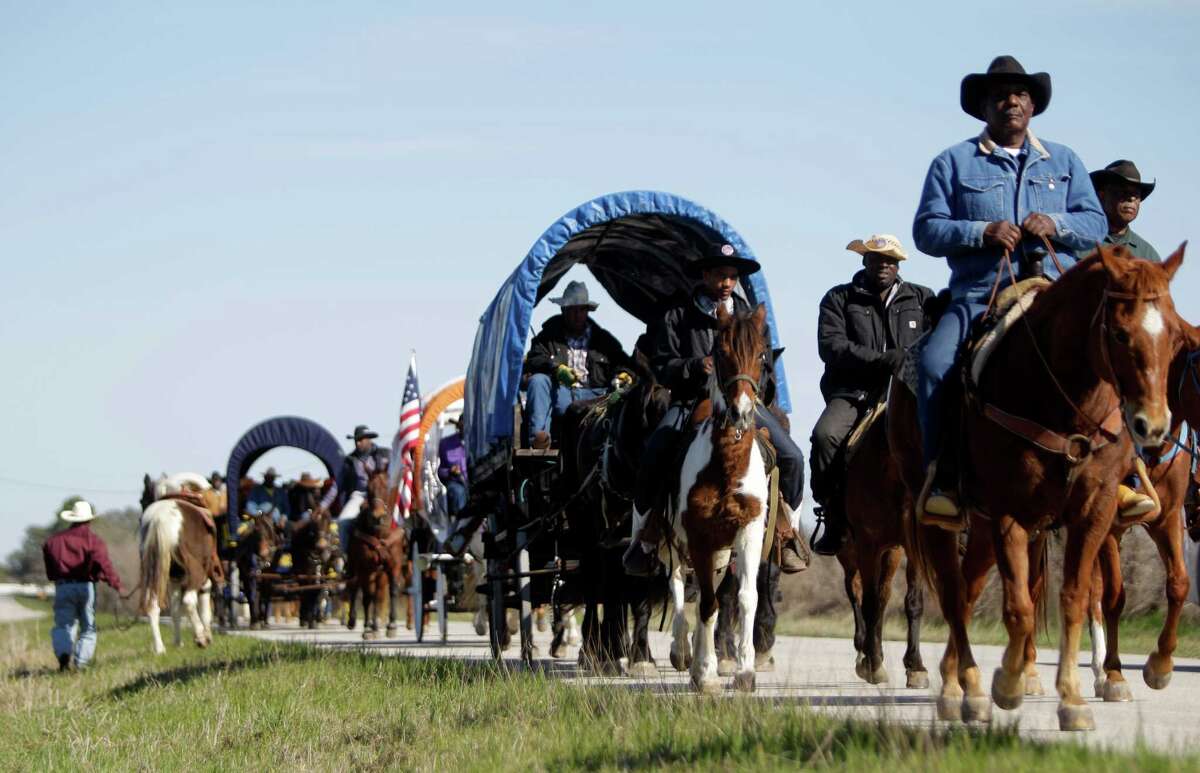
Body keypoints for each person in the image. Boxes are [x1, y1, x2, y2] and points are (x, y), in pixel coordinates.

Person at [913, 55, 1116, 521]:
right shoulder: (952, 161)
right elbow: (927, 229)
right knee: (933, 365)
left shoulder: (1064, 161)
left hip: (1056, 294)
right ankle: (943, 476)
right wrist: (980, 232)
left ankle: (1123, 476)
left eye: (1020, 94)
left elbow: (1095, 224)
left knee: (1117, 354)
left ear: (1032, 105)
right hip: (979, 295)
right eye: (1000, 95)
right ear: (985, 106)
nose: (1011, 102)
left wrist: (1056, 222)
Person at [623, 242, 808, 575]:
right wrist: (696, 366)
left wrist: (748, 388)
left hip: (740, 400)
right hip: (689, 400)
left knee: (793, 457)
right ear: (705, 274)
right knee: (655, 451)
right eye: (720, 275)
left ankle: (787, 535)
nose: (726, 283)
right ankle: (644, 537)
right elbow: (662, 365)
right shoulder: (676, 313)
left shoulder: (751, 318)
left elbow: (764, 367)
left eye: (732, 276)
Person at [809, 234, 933, 555]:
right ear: (864, 261)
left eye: (890, 261)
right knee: (824, 436)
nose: (883, 266)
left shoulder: (921, 298)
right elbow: (832, 347)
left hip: (909, 392)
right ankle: (833, 516)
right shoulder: (839, 298)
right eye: (877, 259)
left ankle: (957, 511)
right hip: (855, 393)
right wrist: (883, 360)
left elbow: (936, 342)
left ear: (898, 266)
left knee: (951, 430)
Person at [523, 280, 636, 449]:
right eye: (572, 310)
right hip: (562, 396)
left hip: (595, 398)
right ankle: (539, 439)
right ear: (563, 310)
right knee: (538, 381)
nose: (577, 315)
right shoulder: (548, 336)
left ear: (588, 311)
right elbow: (534, 359)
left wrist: (623, 374)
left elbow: (623, 363)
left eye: (581, 309)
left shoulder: (603, 339)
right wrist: (557, 369)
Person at [42, 501, 123, 671]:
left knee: (64, 624)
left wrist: (54, 576)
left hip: (63, 586)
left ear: (72, 518)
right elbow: (104, 564)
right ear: (89, 520)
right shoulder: (93, 541)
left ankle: (64, 654)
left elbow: (49, 561)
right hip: (86, 587)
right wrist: (115, 584)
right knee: (88, 627)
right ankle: (81, 663)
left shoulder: (54, 541)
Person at [1090, 159, 1161, 263]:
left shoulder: (1148, 256)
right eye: (1124, 191)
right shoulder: (1078, 238)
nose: (1131, 198)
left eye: (1136, 194)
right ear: (1101, 195)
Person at [337, 424, 389, 549]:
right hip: (359, 495)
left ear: (368, 439)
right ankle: (346, 556)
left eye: (361, 440)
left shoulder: (385, 454)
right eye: (356, 440)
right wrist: (323, 505)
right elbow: (337, 486)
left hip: (383, 494)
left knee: (404, 519)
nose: (358, 443)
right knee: (343, 522)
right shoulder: (350, 460)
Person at [438, 416, 469, 516]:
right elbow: (439, 471)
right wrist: (450, 471)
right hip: (455, 482)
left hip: (475, 480)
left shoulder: (478, 442)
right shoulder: (445, 444)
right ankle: (461, 521)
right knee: (458, 492)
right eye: (462, 426)